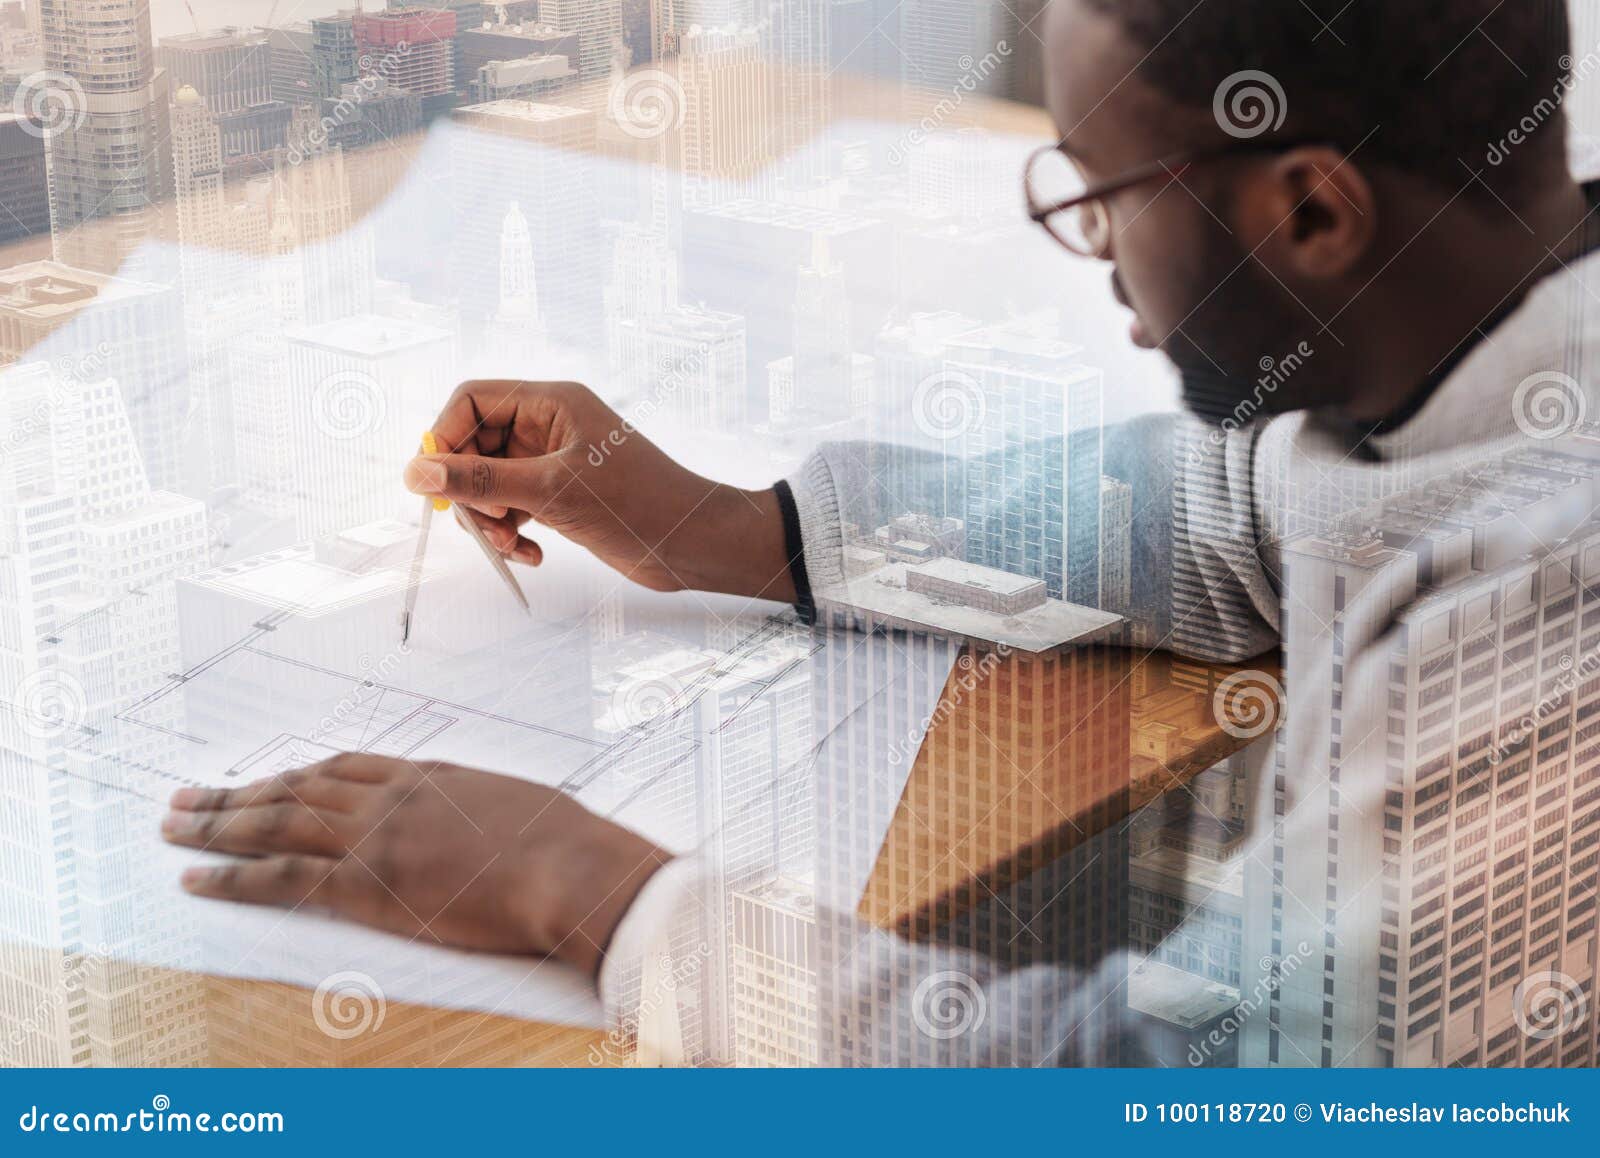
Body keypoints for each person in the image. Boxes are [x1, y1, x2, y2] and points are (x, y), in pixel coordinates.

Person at [163, 0, 1599, 1066]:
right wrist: (733, 529)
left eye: (1097, 201)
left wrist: (593, 892)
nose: (1094, 258)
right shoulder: (1479, 352)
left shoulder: (1538, 623)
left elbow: (1158, 1085)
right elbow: (1232, 508)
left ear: (1312, 208)